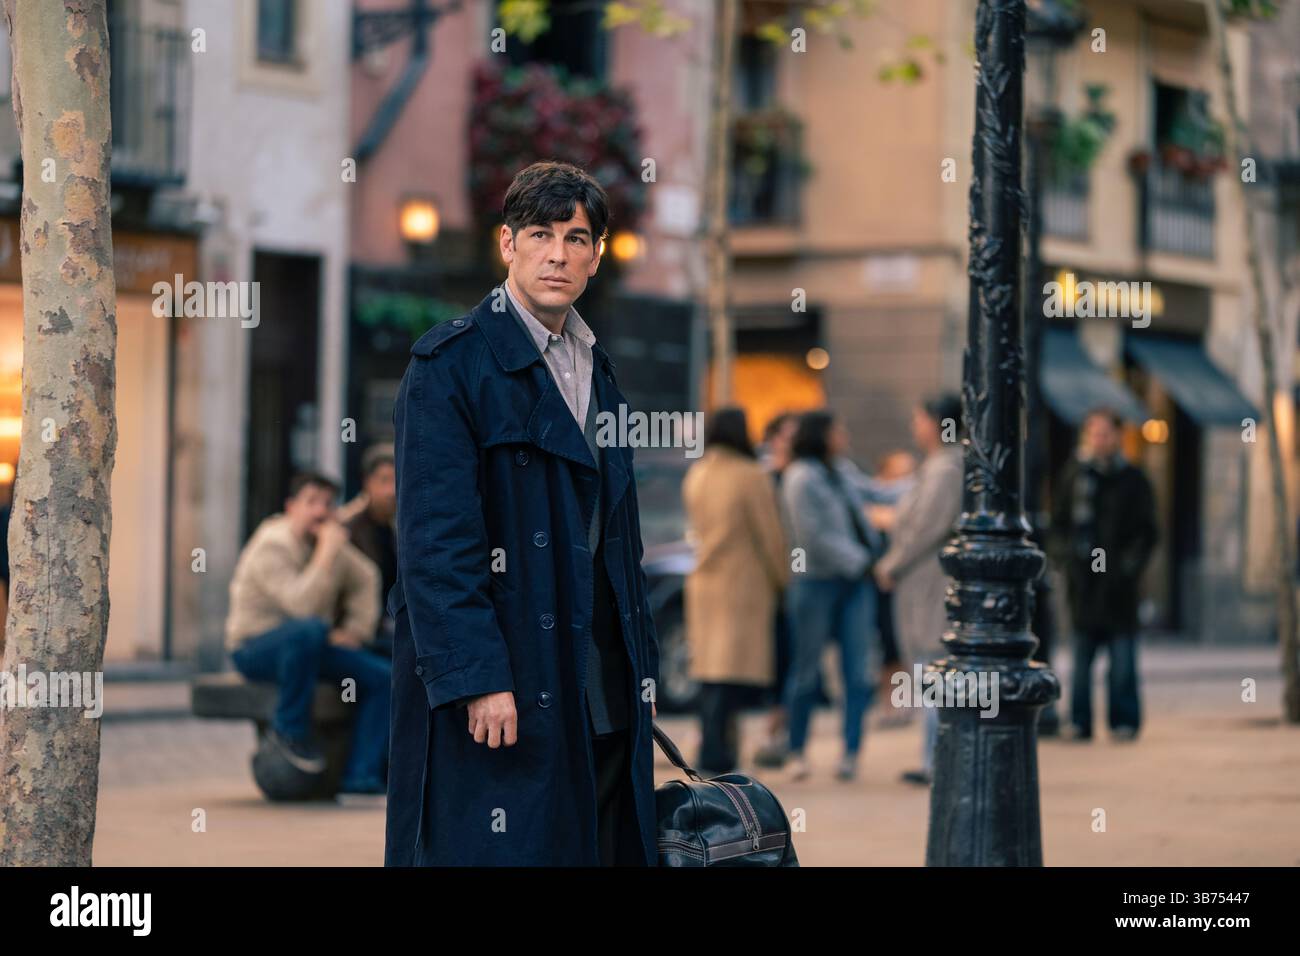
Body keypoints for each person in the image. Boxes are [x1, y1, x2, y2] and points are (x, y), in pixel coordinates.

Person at [386, 161, 661, 867]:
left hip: (595, 677)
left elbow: (616, 534)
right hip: (507, 677)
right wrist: (478, 678)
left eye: (576, 238)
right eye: (540, 234)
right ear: (507, 244)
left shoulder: (598, 368)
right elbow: (435, 542)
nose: (557, 254)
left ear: (597, 256)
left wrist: (640, 675)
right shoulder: (449, 364)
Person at [225, 471, 389, 794]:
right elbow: (302, 608)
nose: (320, 511)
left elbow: (367, 577)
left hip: (310, 647)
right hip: (254, 648)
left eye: (327, 503)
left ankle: (361, 776)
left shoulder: (326, 543)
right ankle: (290, 731)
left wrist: (355, 631)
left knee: (384, 677)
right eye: (311, 502)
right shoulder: (273, 543)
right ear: (290, 507)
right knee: (308, 630)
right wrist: (327, 554)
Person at [682, 407, 789, 776]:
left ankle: (711, 748)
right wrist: (783, 579)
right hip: (741, 585)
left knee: (710, 673)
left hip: (704, 581)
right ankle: (718, 753)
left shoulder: (698, 473)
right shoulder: (750, 475)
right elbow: (770, 535)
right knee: (730, 678)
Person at [780, 410, 883, 782]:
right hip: (815, 582)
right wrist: (865, 563)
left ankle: (850, 753)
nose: (844, 435)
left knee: (857, 672)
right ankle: (796, 750)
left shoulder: (842, 470)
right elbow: (813, 538)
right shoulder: (800, 477)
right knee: (806, 671)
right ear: (820, 434)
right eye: (838, 429)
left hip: (854, 584)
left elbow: (875, 491)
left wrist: (922, 479)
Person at [1051, 407, 1158, 742]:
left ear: (1117, 436)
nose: (1098, 439)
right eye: (1093, 432)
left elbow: (1147, 532)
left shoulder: (1133, 479)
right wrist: (1065, 559)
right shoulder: (1076, 476)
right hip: (1083, 583)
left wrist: (1128, 568)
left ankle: (1124, 721)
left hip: (1118, 587)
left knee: (1123, 661)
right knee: (1081, 660)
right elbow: (1059, 524)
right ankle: (1079, 722)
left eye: (1104, 433)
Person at [873, 395, 964, 785]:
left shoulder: (946, 468)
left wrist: (890, 564)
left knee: (933, 669)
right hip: (924, 584)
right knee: (930, 672)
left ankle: (937, 760)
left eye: (919, 418)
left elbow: (924, 527)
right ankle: (933, 758)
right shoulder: (940, 466)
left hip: (931, 586)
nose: (915, 425)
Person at [752, 411, 800, 768]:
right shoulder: (762, 476)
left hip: (793, 578)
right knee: (766, 656)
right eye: (786, 435)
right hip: (767, 579)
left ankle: (779, 733)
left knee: (788, 656)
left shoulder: (805, 474)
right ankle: (769, 734)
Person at [342, 444, 398, 658]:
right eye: (384, 480)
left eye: (395, 481)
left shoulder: (399, 527)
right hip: (364, 634)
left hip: (391, 626)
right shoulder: (350, 529)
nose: (390, 491)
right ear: (367, 483)